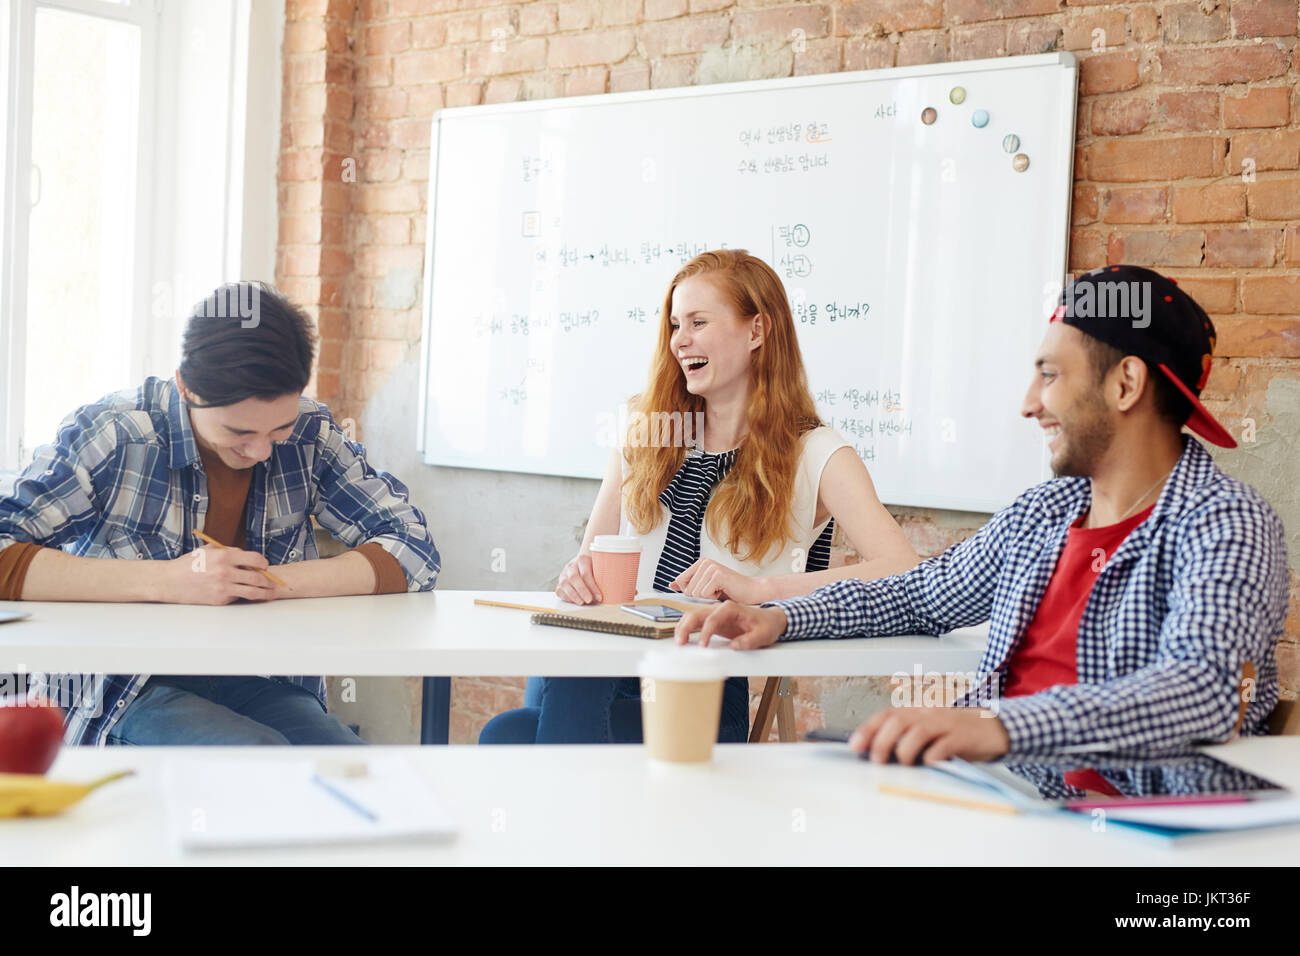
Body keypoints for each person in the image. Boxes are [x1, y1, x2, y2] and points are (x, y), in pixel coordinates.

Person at [674, 266, 1288, 768]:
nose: (1029, 403)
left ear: (1125, 384)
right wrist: (777, 618)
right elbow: (916, 597)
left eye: (1049, 375)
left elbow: (1198, 692)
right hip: (992, 791)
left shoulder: (1226, 524)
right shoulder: (1045, 513)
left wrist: (993, 726)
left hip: (1123, 821)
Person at [480, 249, 917, 745]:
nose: (679, 340)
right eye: (674, 324)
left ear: (757, 331)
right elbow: (592, 560)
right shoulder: (646, 430)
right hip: (606, 660)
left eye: (698, 322)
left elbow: (902, 566)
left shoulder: (815, 452)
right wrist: (577, 576)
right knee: (512, 726)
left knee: (516, 732)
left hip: (704, 690)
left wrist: (759, 590)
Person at [0, 282, 441, 746]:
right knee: (257, 763)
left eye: (279, 428)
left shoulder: (312, 432)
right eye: (238, 431)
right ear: (185, 386)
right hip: (123, 687)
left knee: (356, 770)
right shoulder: (115, 432)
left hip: (262, 677)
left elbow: (414, 547)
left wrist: (274, 583)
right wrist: (168, 581)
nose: (259, 449)